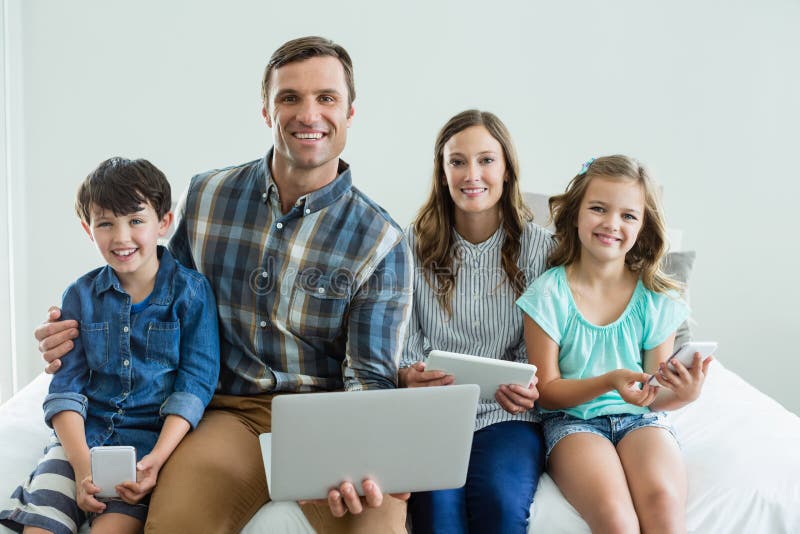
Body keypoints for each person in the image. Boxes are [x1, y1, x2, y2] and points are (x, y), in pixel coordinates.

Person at [32, 36, 412, 533]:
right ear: (266, 111)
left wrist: (360, 451)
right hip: (230, 414)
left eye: (327, 98)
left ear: (350, 112)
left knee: (378, 524)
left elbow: (369, 378)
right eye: (289, 98)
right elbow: (159, 299)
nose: (308, 114)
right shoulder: (208, 196)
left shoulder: (381, 239)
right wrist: (79, 332)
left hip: (327, 418)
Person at [1, 157, 220, 534]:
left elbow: (195, 385)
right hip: (79, 445)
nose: (121, 237)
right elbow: (66, 387)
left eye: (136, 221)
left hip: (142, 453)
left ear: (163, 223)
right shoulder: (80, 295)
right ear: (89, 229)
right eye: (106, 224)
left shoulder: (192, 293)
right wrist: (83, 466)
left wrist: (156, 460)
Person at [516, 155, 712, 533]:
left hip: (641, 421)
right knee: (616, 518)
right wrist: (610, 381)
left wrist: (685, 395)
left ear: (642, 227)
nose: (611, 224)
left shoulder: (654, 298)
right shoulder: (548, 295)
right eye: (598, 209)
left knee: (662, 502)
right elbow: (548, 394)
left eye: (628, 216)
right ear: (576, 215)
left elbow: (652, 396)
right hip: (574, 424)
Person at [399, 110, 554, 533]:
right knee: (438, 515)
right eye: (457, 161)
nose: (473, 174)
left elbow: (542, 344)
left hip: (508, 416)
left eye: (486, 160)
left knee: (501, 506)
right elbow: (404, 336)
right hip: (434, 412)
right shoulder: (409, 245)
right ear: (442, 171)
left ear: (506, 169)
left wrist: (530, 383)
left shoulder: (541, 249)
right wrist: (407, 374)